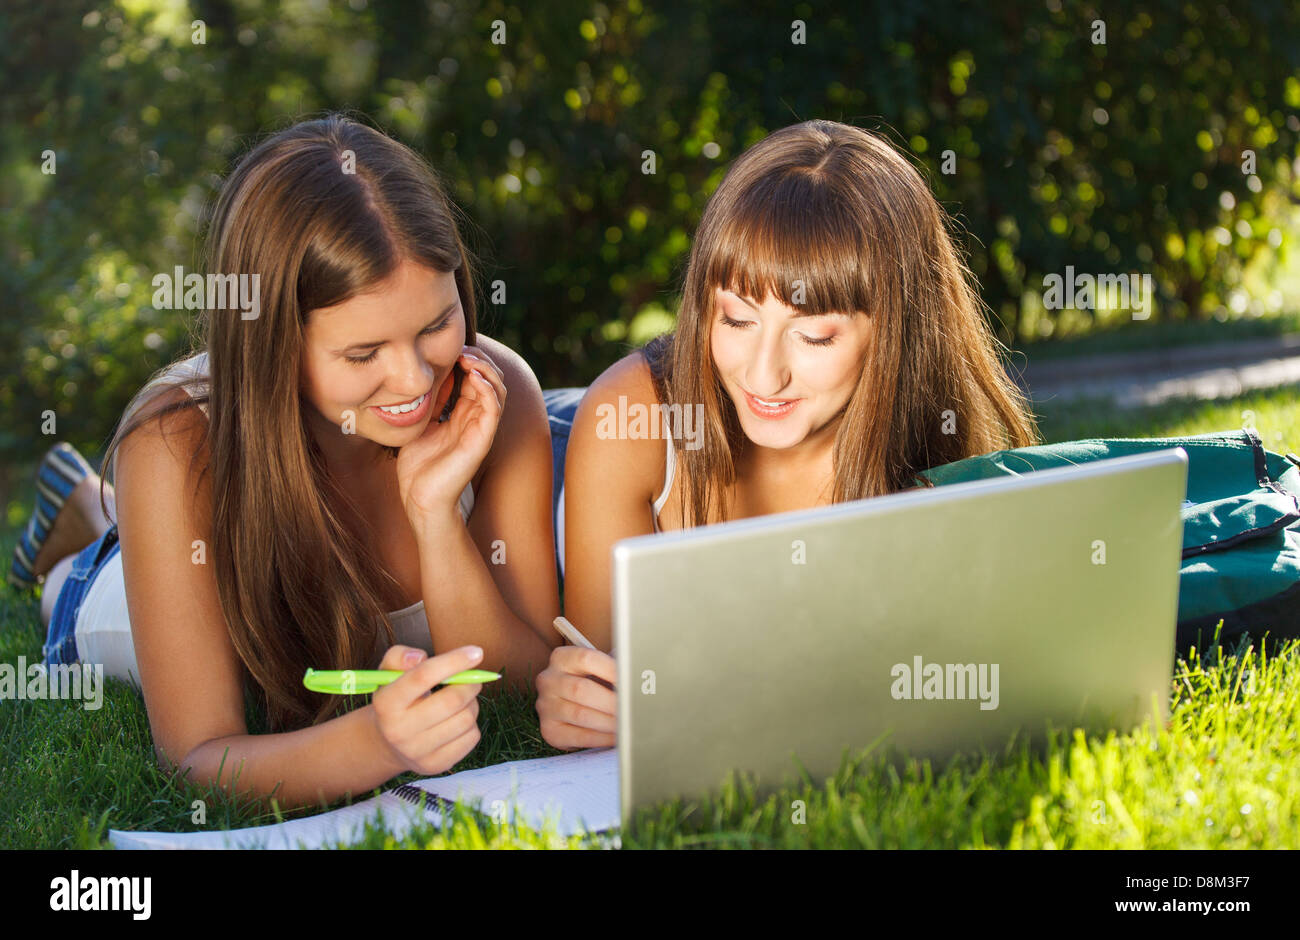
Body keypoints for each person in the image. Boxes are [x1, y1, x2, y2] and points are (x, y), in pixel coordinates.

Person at [10, 115, 561, 808]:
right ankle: (83, 538)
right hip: (138, 581)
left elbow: (523, 682)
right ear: (271, 344)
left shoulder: (499, 394)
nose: (416, 381)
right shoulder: (174, 444)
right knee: (76, 590)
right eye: (362, 355)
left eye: (435, 325)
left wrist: (435, 518)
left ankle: (96, 510)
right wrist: (378, 745)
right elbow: (198, 757)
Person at [536, 119, 1041, 750]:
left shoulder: (932, 444)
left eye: (814, 335)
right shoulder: (629, 417)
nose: (763, 374)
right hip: (561, 438)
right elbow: (599, 671)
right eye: (738, 319)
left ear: (897, 332)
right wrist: (585, 700)